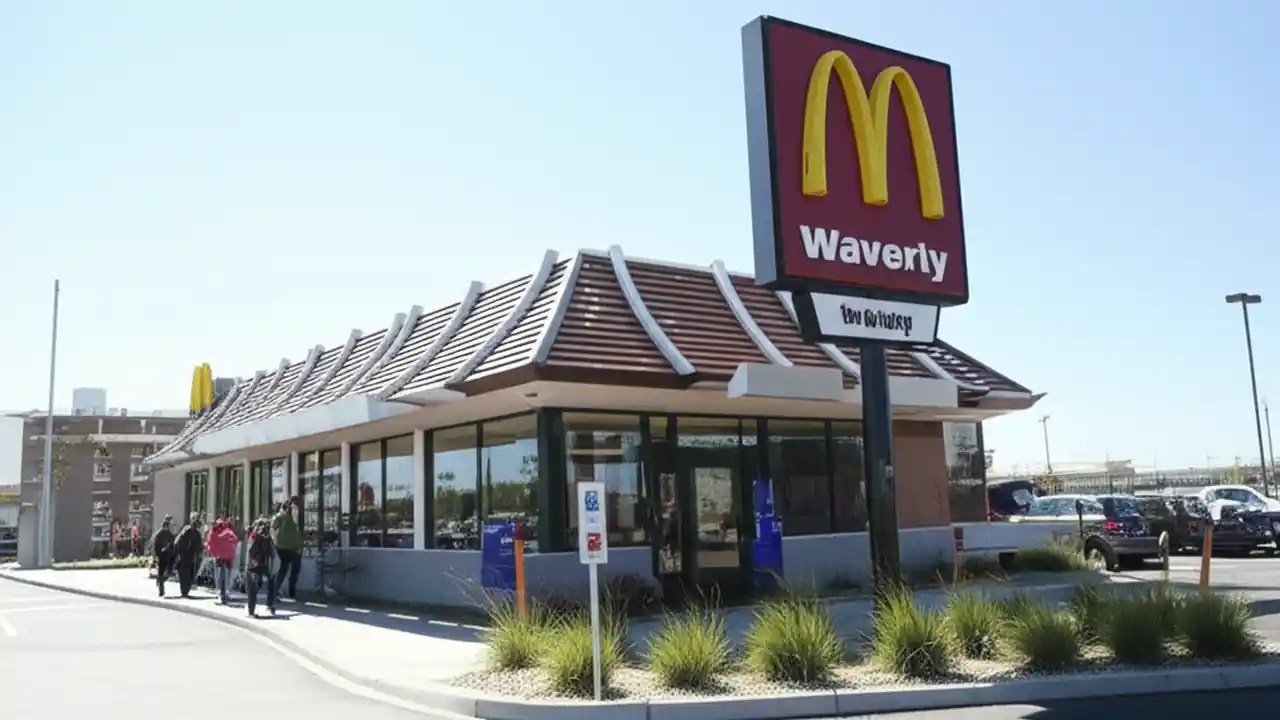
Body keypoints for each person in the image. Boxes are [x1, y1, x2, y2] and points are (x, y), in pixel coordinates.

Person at [271, 497, 302, 600]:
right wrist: (275, 542)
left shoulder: (290, 518)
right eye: (291, 508)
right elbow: (272, 529)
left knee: (288, 568)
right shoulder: (281, 517)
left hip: (290, 547)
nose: (292, 510)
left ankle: (281, 589)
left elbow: (294, 533)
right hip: (285, 548)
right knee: (289, 567)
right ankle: (283, 589)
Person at [245, 517, 277, 617]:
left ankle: (268, 605)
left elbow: (272, 553)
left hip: (260, 565)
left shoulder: (265, 538)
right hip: (254, 566)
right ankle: (254, 610)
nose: (263, 528)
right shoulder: (255, 536)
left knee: (263, 585)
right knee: (254, 587)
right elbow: (250, 551)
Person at [205, 518, 239, 604]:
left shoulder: (217, 533)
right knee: (225, 577)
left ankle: (221, 593)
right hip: (225, 560)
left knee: (220, 577)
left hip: (220, 559)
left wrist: (212, 553)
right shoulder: (227, 533)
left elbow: (211, 542)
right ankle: (224, 593)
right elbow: (233, 543)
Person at [173, 513, 204, 598]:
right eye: (197, 523)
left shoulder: (197, 533)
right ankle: (184, 591)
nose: (198, 525)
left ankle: (186, 590)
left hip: (191, 557)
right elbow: (178, 542)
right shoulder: (187, 530)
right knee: (184, 574)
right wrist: (179, 552)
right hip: (184, 556)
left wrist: (199, 553)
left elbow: (199, 546)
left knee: (190, 574)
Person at [150, 516, 176, 597]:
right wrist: (156, 555)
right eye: (167, 526)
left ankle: (160, 580)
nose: (167, 528)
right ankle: (161, 589)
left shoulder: (169, 534)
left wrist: (171, 550)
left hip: (168, 555)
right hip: (161, 555)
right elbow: (155, 546)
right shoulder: (159, 534)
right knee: (161, 572)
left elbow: (172, 543)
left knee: (168, 572)